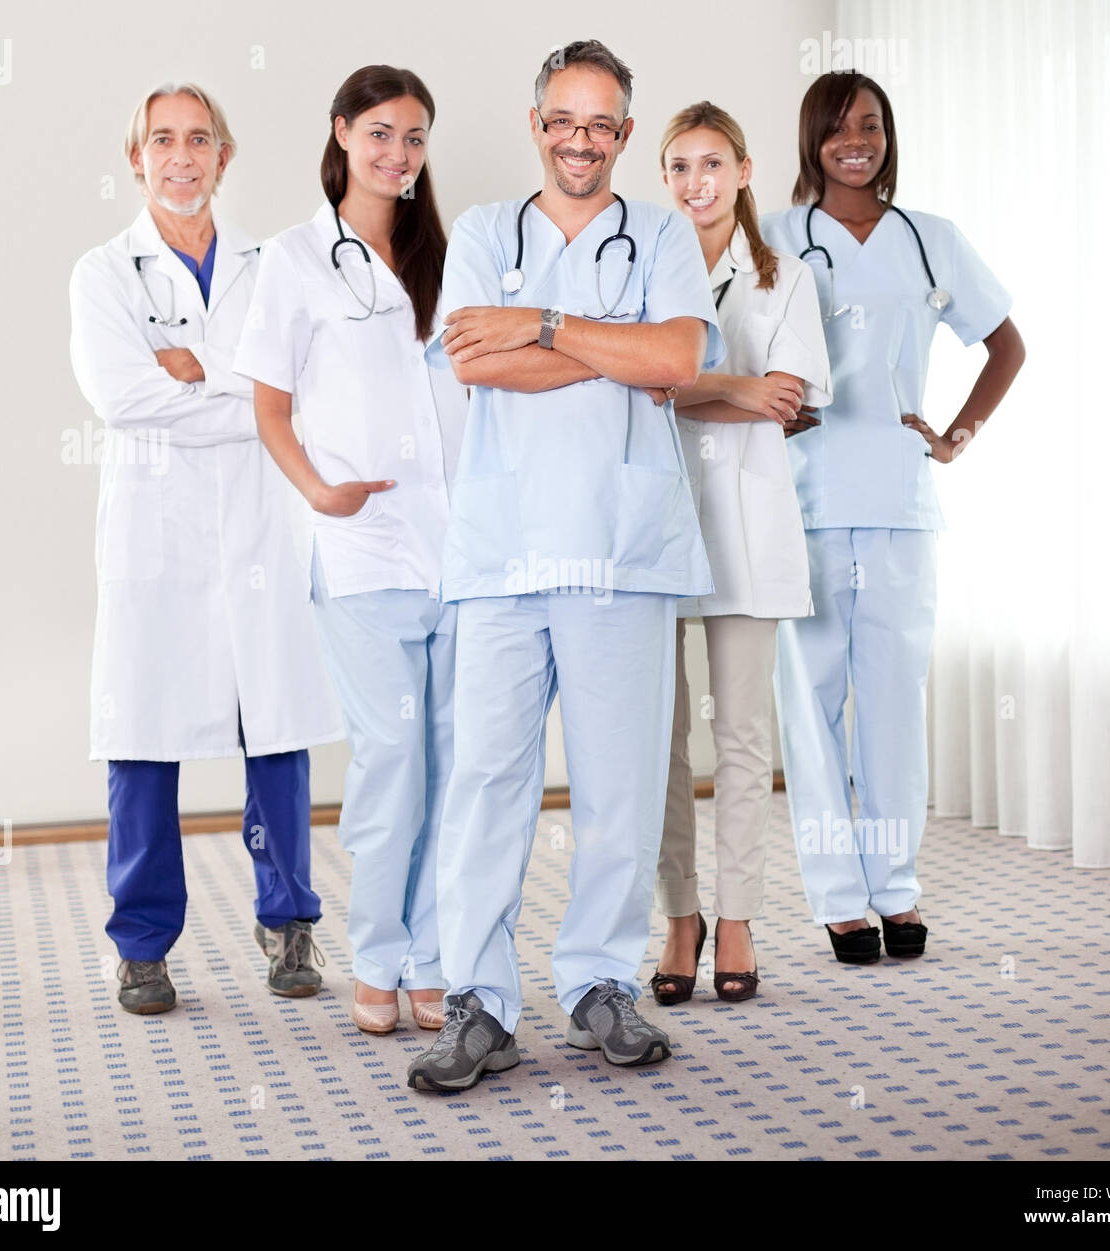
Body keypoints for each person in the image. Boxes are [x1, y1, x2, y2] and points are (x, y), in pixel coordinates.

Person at [405, 39, 725, 1092]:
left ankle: (597, 985)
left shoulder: (665, 233)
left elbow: (678, 361)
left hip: (621, 551)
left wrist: (541, 324)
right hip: (501, 552)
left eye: (602, 124)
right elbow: (469, 358)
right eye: (563, 120)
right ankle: (480, 1004)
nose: (580, 139)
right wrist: (609, 346)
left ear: (624, 136)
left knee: (617, 787)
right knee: (486, 785)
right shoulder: (488, 230)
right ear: (536, 124)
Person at [69, 83, 344, 1014]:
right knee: (143, 738)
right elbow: (122, 397)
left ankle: (289, 920)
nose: (181, 156)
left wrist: (197, 376)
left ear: (225, 157)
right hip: (158, 541)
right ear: (134, 156)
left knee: (275, 730)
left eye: (200, 140)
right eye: (162, 140)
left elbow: (303, 390)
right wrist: (248, 398)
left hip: (263, 531)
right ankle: (143, 944)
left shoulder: (276, 269)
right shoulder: (103, 275)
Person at [761, 71, 1025, 963]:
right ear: (813, 140)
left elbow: (1006, 343)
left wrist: (957, 434)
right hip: (805, 503)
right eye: (837, 128)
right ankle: (839, 899)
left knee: (892, 707)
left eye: (869, 124)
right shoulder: (776, 238)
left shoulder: (930, 240)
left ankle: (897, 889)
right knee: (812, 706)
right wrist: (772, 408)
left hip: (903, 505)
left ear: (887, 134)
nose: (855, 141)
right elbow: (730, 352)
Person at [235, 67, 466, 1036]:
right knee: (390, 760)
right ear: (341, 133)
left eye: (413, 138)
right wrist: (320, 491)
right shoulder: (294, 258)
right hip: (362, 548)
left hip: (457, 551)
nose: (397, 154)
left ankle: (434, 956)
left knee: (456, 765)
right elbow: (269, 405)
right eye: (379, 133)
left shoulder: (445, 257)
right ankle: (379, 950)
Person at [652, 102, 832, 1004]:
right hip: (659, 527)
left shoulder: (785, 278)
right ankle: (679, 913)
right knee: (661, 740)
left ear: (745, 170)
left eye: (712, 164)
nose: (696, 184)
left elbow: (786, 401)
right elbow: (642, 385)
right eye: (679, 167)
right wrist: (735, 387)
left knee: (742, 737)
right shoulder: (645, 269)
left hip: (751, 532)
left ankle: (736, 919)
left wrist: (694, 387)